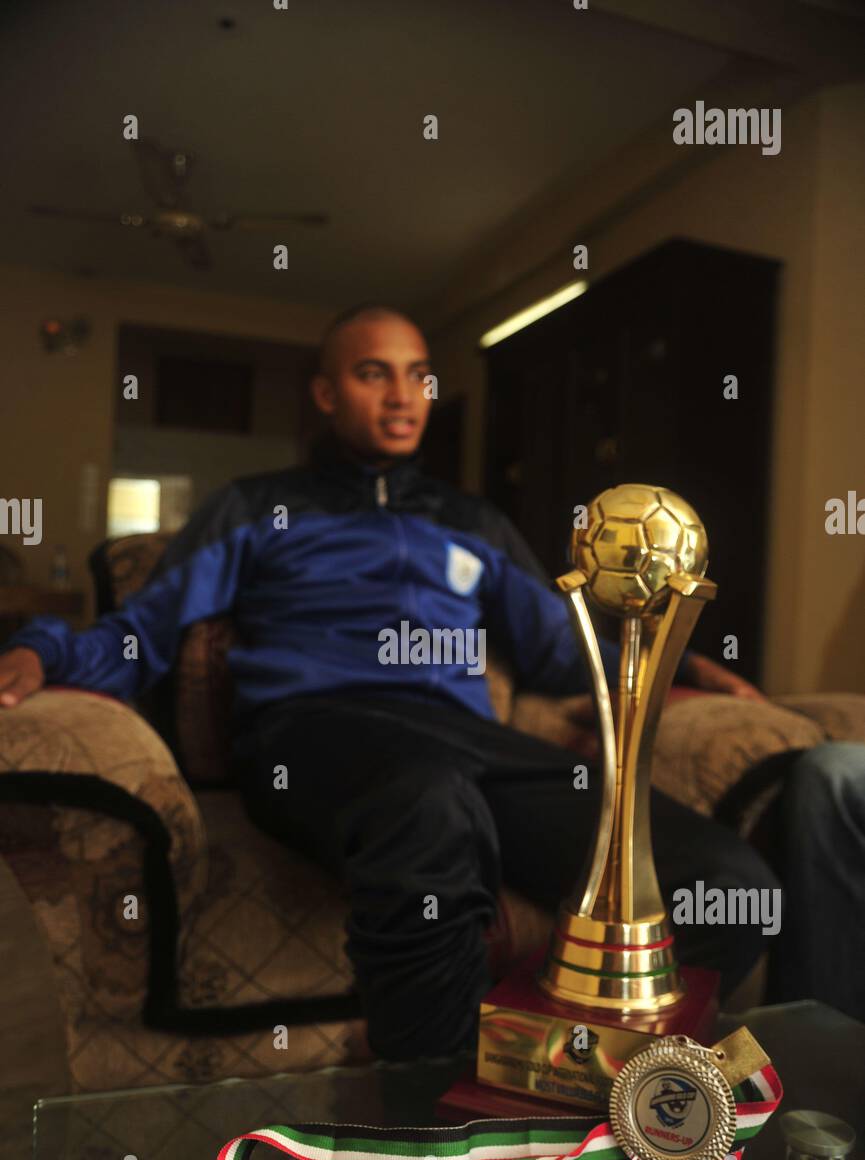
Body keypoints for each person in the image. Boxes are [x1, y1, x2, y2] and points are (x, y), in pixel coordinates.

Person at [0, 307, 847, 1055]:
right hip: (315, 729)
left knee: (725, 881)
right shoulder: (254, 506)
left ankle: (554, 1076)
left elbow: (558, 652)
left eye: (417, 375)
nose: (403, 395)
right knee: (430, 804)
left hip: (470, 737)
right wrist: (42, 651)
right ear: (326, 393)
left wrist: (682, 663)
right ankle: (433, 1130)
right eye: (373, 374)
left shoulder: (471, 519)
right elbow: (142, 632)